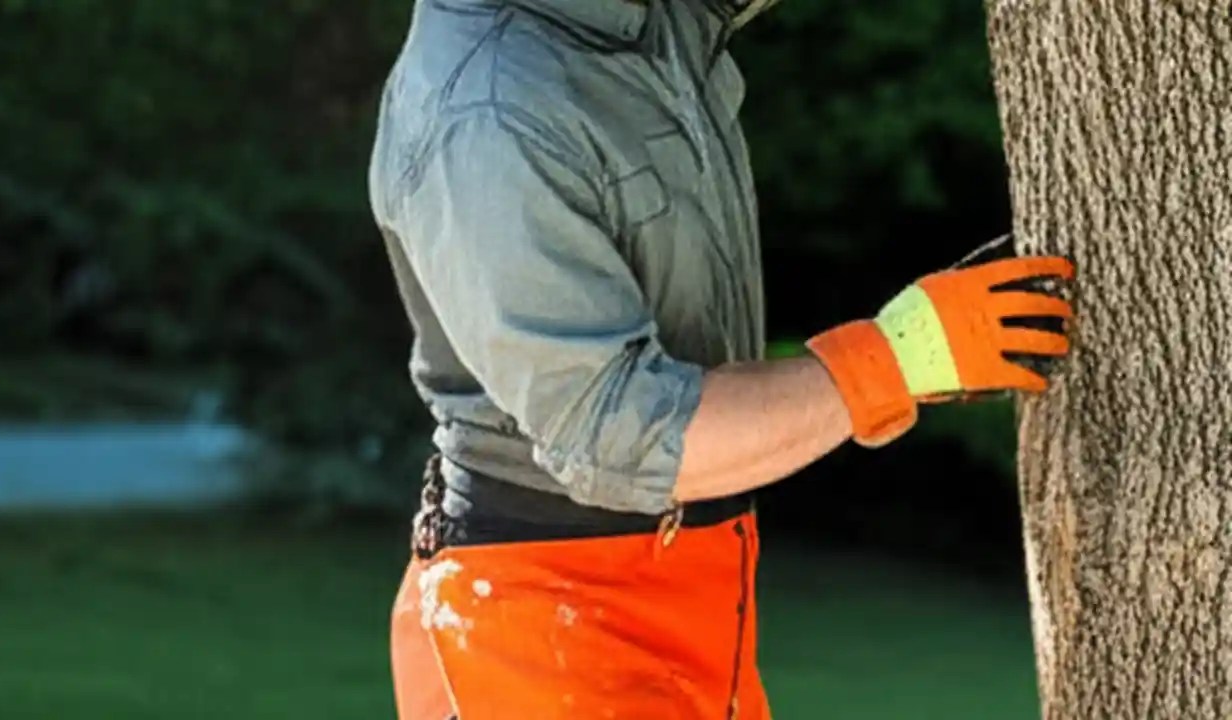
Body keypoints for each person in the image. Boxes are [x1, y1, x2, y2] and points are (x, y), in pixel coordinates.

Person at [369, 0, 1075, 717]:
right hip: (547, 624)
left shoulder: (630, 17)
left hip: (685, 591)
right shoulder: (488, 115)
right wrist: (891, 365)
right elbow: (620, 437)